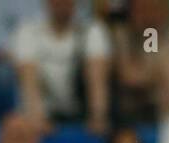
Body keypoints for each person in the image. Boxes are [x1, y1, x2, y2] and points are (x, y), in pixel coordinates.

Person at [13, 0, 111, 133]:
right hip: (43, 114)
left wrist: (98, 116)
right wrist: (37, 118)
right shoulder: (28, 32)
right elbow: (29, 81)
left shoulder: (93, 31)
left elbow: (97, 81)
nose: (62, 4)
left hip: (81, 114)